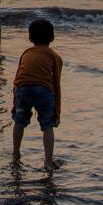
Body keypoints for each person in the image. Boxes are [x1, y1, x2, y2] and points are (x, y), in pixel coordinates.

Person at [12, 18, 62, 166]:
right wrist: (57, 112)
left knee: (19, 122)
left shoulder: (26, 53)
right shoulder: (54, 56)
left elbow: (17, 78)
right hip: (43, 90)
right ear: (52, 37)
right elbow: (56, 85)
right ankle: (47, 161)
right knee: (48, 126)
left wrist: (15, 101)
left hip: (23, 88)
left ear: (30, 37)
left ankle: (16, 153)